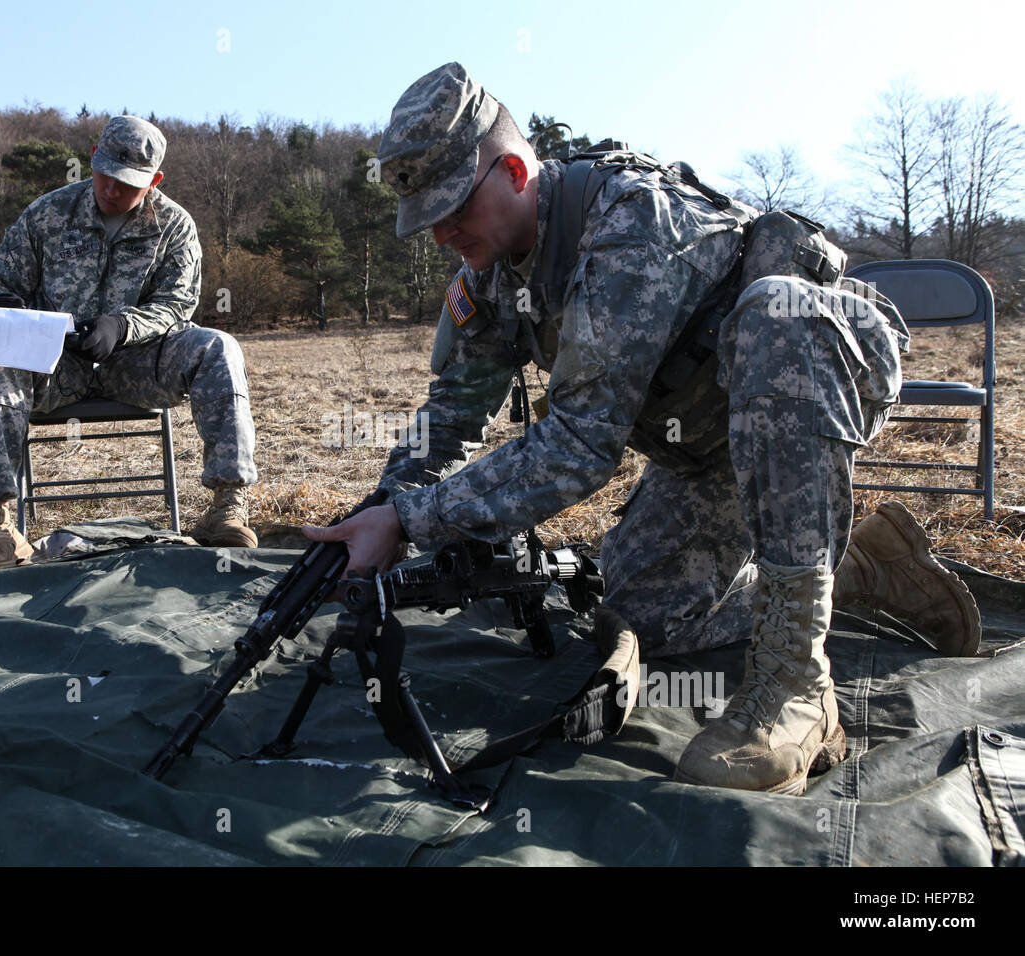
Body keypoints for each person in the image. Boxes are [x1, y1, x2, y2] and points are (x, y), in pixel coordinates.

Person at [303, 63, 980, 795]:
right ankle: (863, 571)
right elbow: (450, 419)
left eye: (453, 206)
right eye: (425, 216)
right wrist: (376, 515)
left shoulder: (630, 221)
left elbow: (578, 445)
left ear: (515, 170)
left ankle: (795, 686)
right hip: (705, 449)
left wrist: (412, 519)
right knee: (644, 619)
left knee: (774, 316)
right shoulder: (493, 280)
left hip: (807, 373)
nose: (439, 233)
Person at [0, 114, 258, 572]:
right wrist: (6, 302)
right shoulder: (49, 213)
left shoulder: (174, 226)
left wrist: (122, 326)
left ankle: (227, 509)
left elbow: (177, 303)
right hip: (56, 366)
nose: (110, 190)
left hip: (136, 363)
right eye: (104, 175)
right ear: (92, 162)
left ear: (154, 179)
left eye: (126, 182)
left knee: (218, 347)